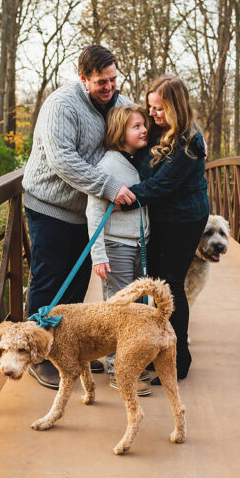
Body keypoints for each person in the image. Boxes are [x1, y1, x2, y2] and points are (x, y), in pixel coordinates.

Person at [22, 45, 136, 389]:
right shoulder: (61, 105)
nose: (109, 87)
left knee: (75, 287)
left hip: (85, 211)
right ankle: (37, 357)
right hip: (50, 207)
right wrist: (108, 186)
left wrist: (190, 139)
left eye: (113, 79)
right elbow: (62, 160)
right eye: (102, 81)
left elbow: (144, 128)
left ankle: (65, 352)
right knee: (49, 282)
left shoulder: (118, 100)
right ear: (83, 78)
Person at [124, 75, 209, 382]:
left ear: (175, 107)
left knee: (170, 284)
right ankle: (157, 350)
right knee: (157, 283)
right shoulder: (158, 128)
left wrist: (122, 198)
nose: (153, 113)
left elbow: (161, 185)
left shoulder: (189, 144)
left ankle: (178, 360)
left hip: (184, 219)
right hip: (163, 217)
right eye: (151, 107)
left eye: (159, 108)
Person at [86, 104, 152, 396]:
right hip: (117, 247)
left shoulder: (136, 160)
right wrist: (98, 255)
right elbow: (94, 212)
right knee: (120, 312)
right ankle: (117, 372)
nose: (143, 130)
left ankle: (131, 364)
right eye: (136, 126)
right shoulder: (110, 165)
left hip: (139, 245)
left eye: (143, 125)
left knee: (137, 310)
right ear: (119, 132)